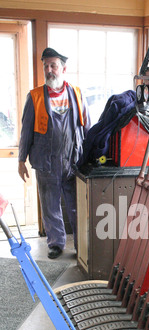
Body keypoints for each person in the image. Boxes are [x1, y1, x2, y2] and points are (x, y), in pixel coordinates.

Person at [18, 47, 91, 259]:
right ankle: (56, 243)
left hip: (73, 161)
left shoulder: (76, 94)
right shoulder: (34, 97)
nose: (49, 70)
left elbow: (87, 127)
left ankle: (81, 245)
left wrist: (92, 156)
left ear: (63, 69)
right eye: (46, 66)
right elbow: (26, 131)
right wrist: (21, 160)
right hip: (45, 163)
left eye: (54, 66)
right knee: (50, 206)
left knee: (77, 206)